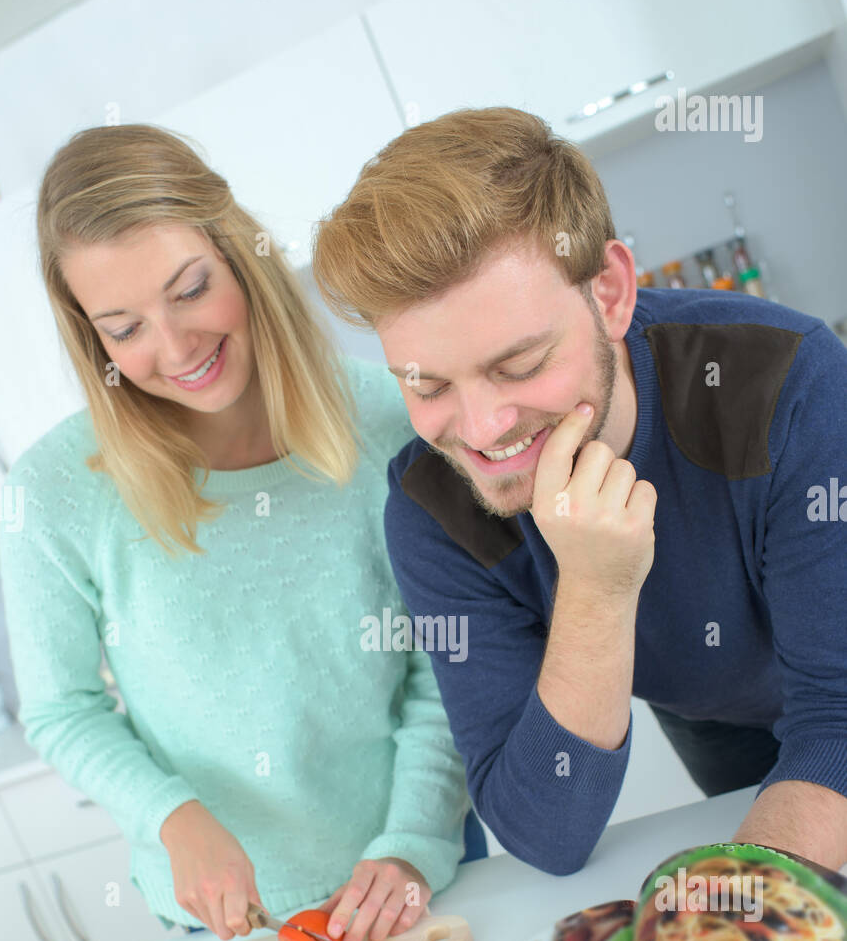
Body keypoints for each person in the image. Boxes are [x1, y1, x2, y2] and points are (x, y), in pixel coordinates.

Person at [311, 105, 847, 877]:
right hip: (708, 703)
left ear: (610, 293)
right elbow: (542, 833)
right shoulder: (433, 511)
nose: (483, 428)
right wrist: (595, 590)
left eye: (519, 365)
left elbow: (835, 717)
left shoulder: (786, 383)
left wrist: (727, 924)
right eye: (426, 383)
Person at [0, 123, 486, 941]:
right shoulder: (54, 492)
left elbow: (446, 661)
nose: (175, 346)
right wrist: (172, 816)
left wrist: (408, 841)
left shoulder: (389, 419)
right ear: (93, 340)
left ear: (241, 257)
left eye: (191, 289)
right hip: (225, 924)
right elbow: (62, 709)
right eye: (124, 328)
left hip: (414, 871)